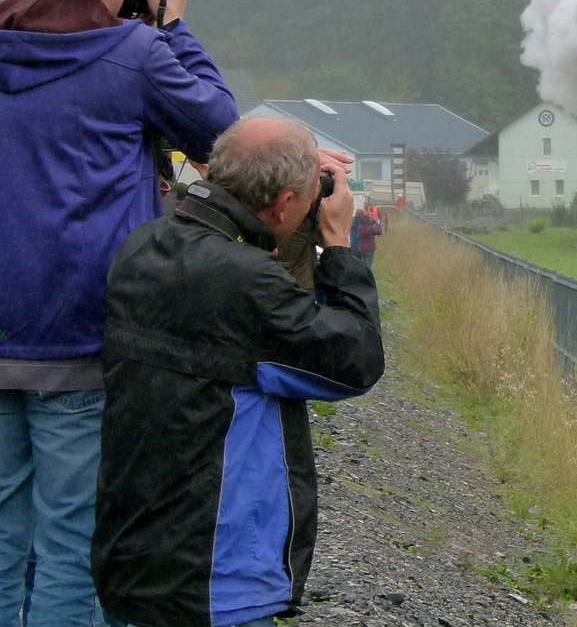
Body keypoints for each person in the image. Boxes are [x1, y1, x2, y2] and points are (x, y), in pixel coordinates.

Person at [0, 0, 238, 626]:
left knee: (5, 539)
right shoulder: (137, 57)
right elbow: (223, 138)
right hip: (85, 332)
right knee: (74, 540)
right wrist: (172, 27)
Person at [92, 118, 385, 627]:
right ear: (283, 205)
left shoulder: (141, 249)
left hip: (129, 561)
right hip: (214, 582)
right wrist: (338, 244)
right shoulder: (247, 285)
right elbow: (353, 361)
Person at [355, 203, 384, 269]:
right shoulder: (370, 228)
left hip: (361, 248)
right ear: (369, 220)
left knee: (362, 264)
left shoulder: (360, 227)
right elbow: (379, 232)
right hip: (369, 249)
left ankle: (362, 275)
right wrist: (377, 224)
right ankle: (367, 276)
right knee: (368, 265)